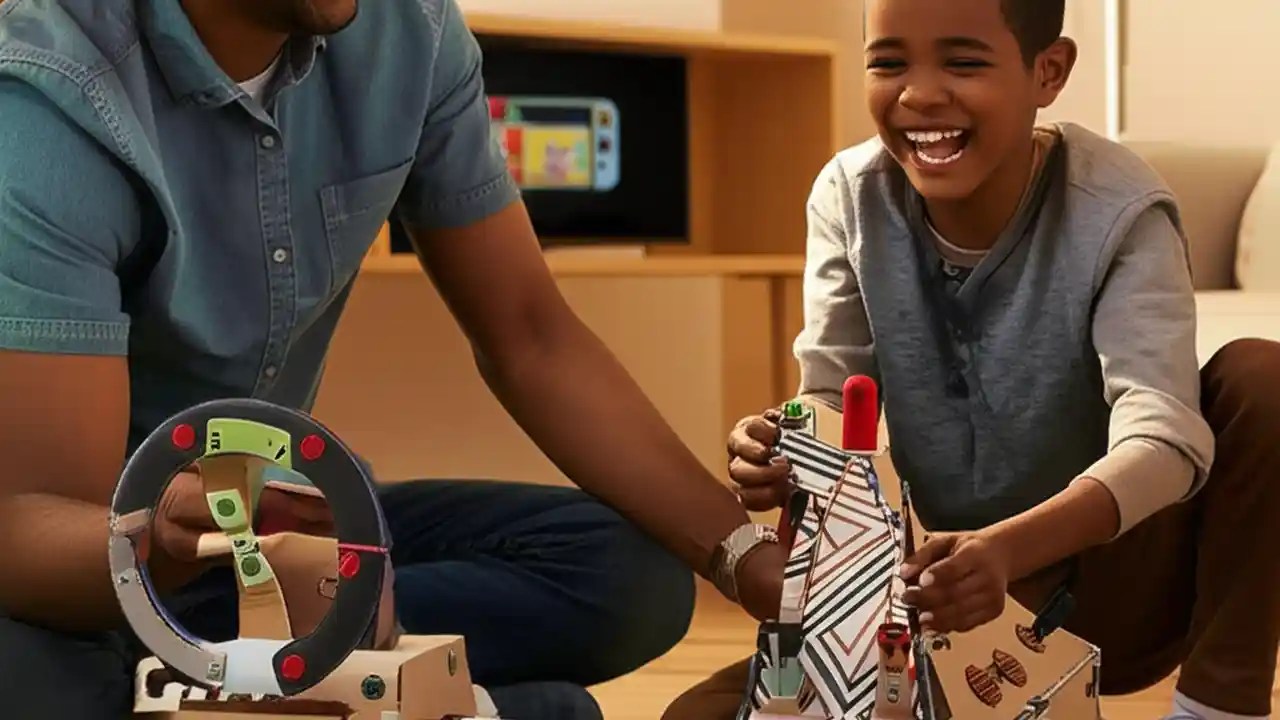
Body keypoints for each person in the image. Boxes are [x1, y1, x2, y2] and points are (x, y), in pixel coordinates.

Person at [0, 0, 791, 718]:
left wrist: (745, 557)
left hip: (264, 538)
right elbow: (36, 530)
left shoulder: (410, 32)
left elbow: (532, 335)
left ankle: (348, 690)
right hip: (87, 572)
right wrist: (170, 537)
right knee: (43, 679)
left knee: (629, 577)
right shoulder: (47, 95)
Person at [665, 0, 1280, 718]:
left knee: (1259, 381)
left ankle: (1218, 709)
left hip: (1114, 590)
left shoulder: (1120, 208)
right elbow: (833, 396)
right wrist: (787, 443)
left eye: (963, 62)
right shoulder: (848, 196)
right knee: (697, 715)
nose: (919, 93)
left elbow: (1165, 439)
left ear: (1047, 72)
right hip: (938, 596)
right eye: (889, 62)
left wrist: (1007, 550)